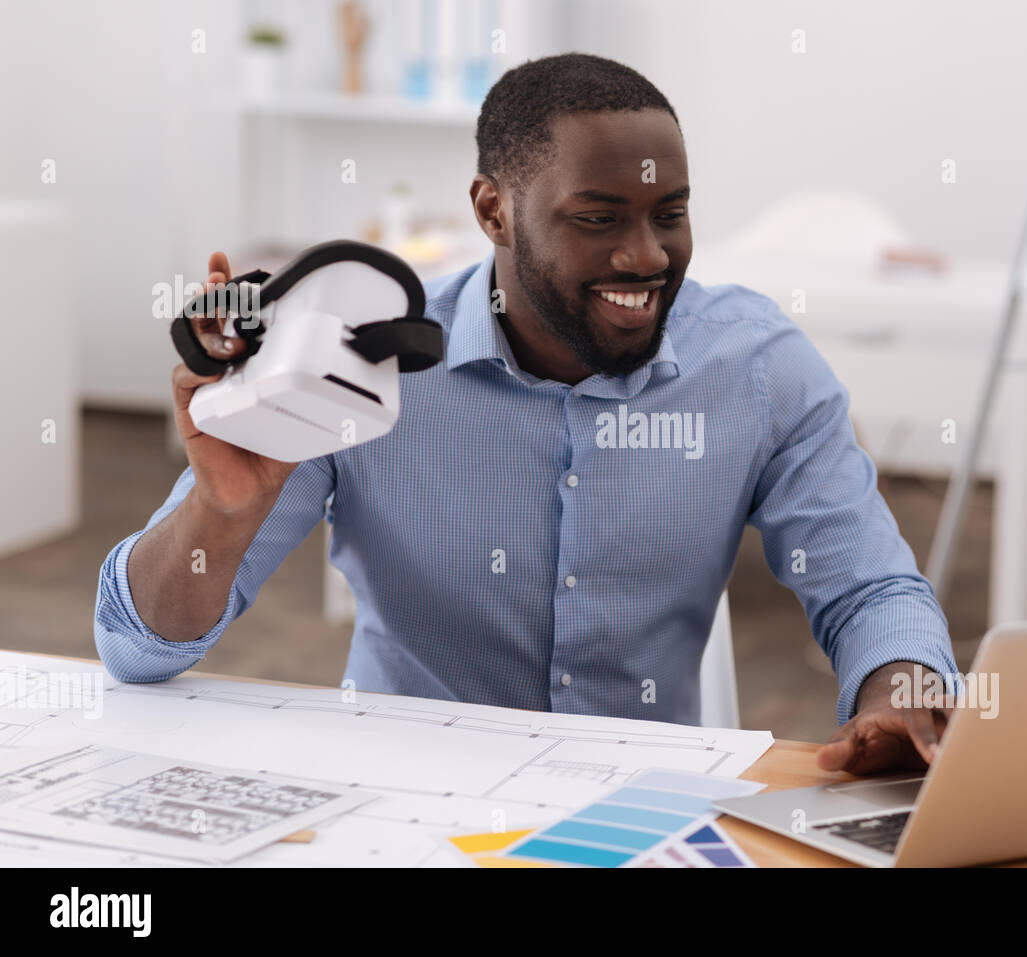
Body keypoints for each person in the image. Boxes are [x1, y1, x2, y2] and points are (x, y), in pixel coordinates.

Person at [94, 53, 957, 775]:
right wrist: (220, 511)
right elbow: (139, 649)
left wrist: (899, 694)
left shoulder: (759, 367)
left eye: (671, 215)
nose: (646, 255)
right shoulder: (358, 362)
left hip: (639, 808)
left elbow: (871, 585)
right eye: (598, 218)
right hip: (408, 799)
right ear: (492, 210)